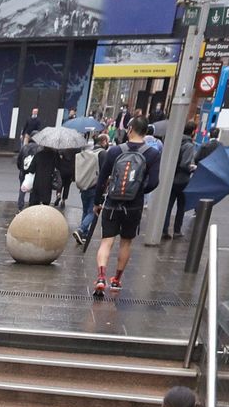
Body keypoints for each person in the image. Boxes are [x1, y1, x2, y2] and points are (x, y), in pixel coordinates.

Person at [91, 120, 159, 298]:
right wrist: (138, 191)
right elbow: (153, 182)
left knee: (106, 241)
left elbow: (102, 179)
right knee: (126, 242)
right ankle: (116, 280)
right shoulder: (152, 153)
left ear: (129, 130)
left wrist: (97, 202)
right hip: (134, 206)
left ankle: (100, 277)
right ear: (146, 132)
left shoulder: (114, 151)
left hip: (113, 203)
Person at [71, 132, 106, 250]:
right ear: (104, 142)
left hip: (84, 186)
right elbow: (104, 173)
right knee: (92, 211)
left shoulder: (88, 152)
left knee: (85, 210)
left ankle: (83, 234)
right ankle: (81, 230)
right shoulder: (102, 154)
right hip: (94, 187)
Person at [165, 122, 198, 238]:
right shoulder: (189, 145)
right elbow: (185, 164)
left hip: (171, 178)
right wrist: (192, 168)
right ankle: (177, 230)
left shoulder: (176, 141)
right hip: (182, 180)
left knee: (168, 205)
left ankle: (164, 229)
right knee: (181, 206)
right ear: (193, 131)